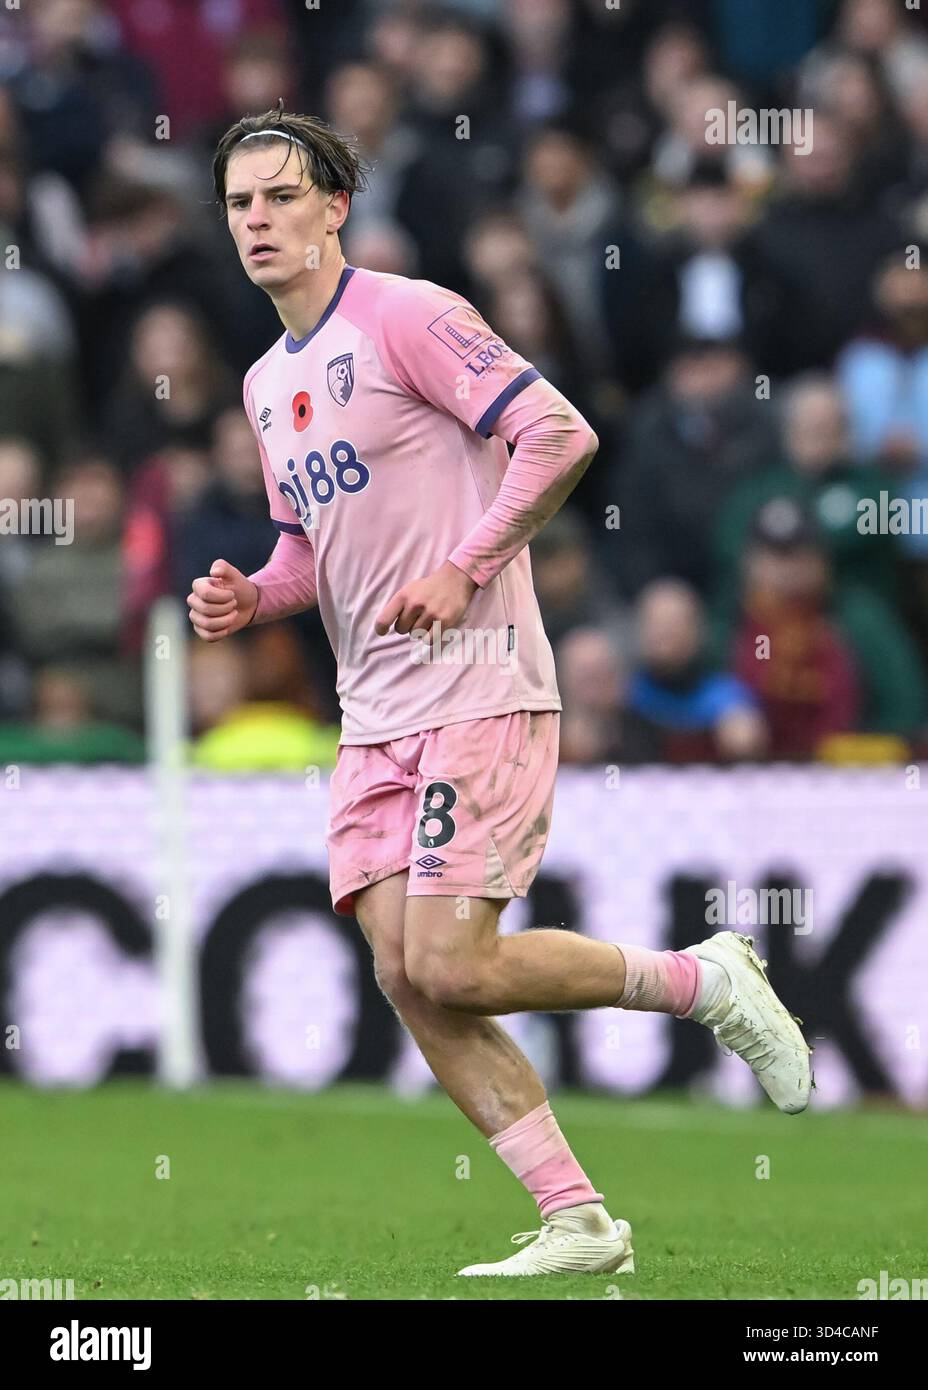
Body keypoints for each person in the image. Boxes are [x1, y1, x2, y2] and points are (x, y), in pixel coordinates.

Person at [186, 105, 811, 1279]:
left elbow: (559, 436)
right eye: (238, 203)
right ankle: (577, 1217)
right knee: (402, 969)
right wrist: (250, 598)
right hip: (372, 713)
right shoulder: (267, 384)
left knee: (457, 962)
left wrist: (463, 566)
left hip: (478, 682)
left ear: (335, 208)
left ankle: (708, 981)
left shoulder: (409, 312)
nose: (257, 220)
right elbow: (307, 553)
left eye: (280, 197)